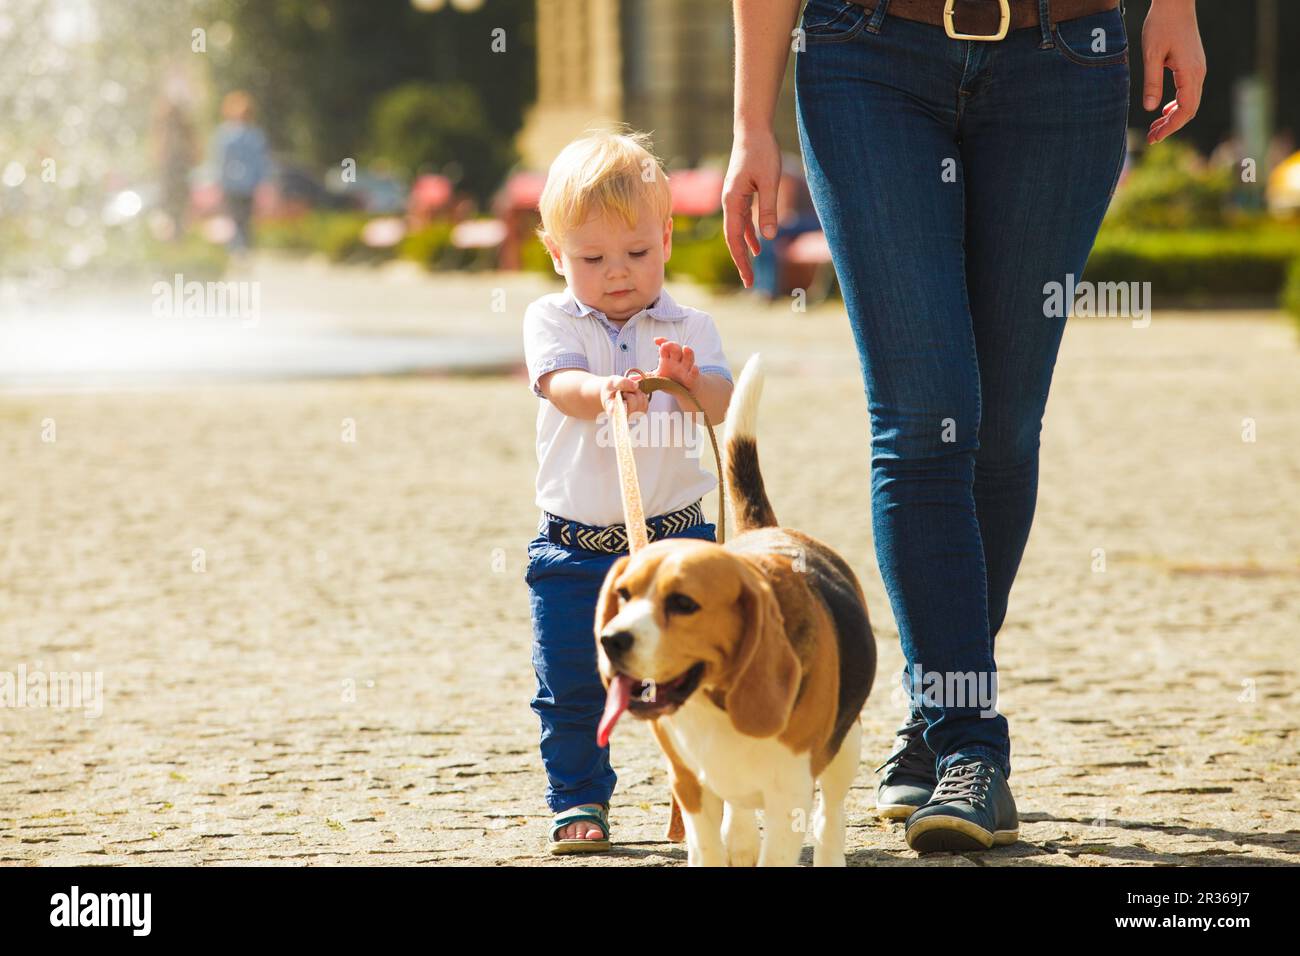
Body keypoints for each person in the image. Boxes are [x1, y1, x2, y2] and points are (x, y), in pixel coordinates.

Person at [723, 0, 1204, 852]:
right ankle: (971, 743)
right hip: (864, 55)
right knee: (925, 420)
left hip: (1064, 55)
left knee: (1005, 427)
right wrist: (749, 120)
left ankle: (933, 714)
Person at [523, 128, 735, 853]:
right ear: (556, 254)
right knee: (572, 686)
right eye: (592, 259)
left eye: (637, 254)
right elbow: (561, 387)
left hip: (679, 544)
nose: (618, 274)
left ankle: (696, 795)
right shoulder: (552, 320)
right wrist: (605, 389)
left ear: (667, 240)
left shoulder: (689, 324)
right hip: (576, 549)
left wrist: (689, 380)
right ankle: (579, 797)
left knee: (696, 680)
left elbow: (720, 408)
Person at [209, 90, 270, 256]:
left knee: (235, 219)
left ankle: (237, 250)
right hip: (246, 185)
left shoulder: (224, 134)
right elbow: (261, 163)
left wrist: (217, 183)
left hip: (232, 185)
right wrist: (262, 183)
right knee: (244, 220)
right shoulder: (254, 135)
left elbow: (219, 161)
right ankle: (242, 250)